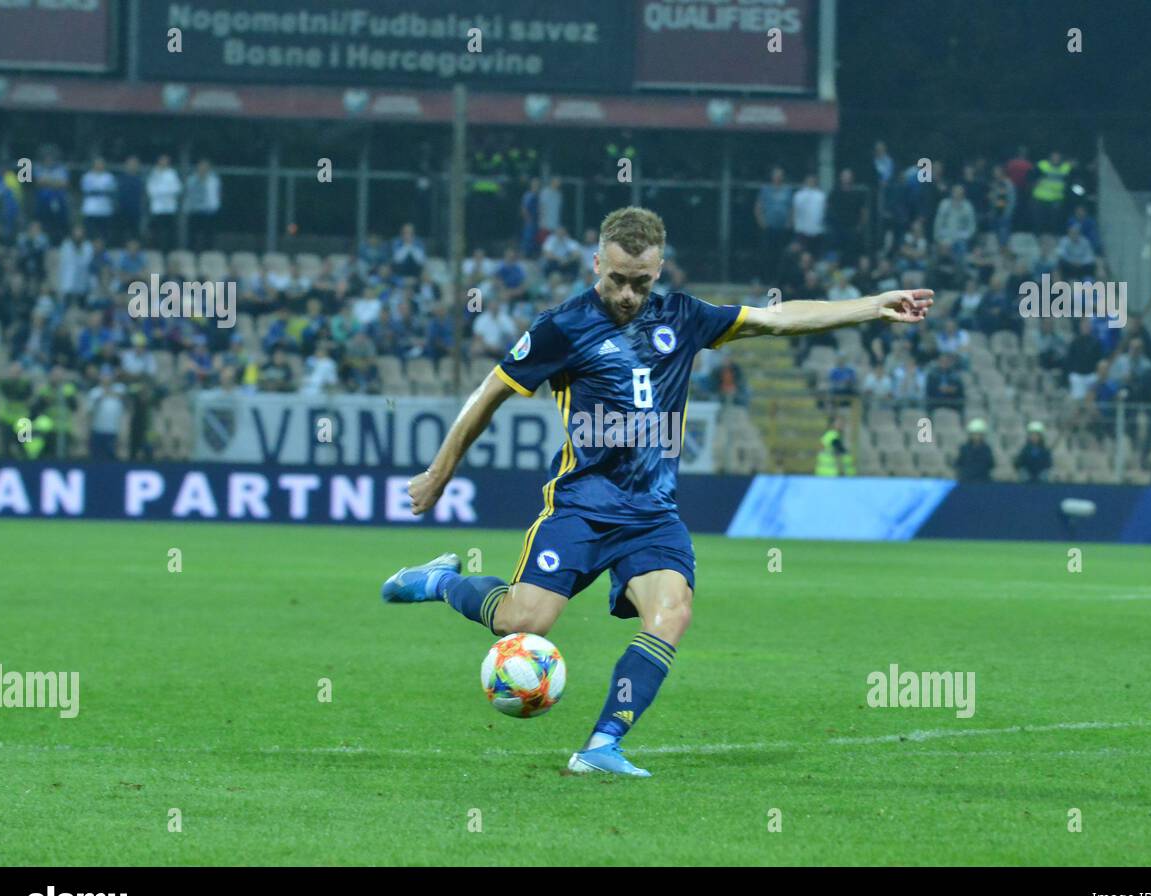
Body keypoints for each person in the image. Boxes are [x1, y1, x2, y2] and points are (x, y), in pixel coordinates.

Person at [380, 206, 932, 777]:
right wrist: (441, 471)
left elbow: (778, 319)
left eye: (640, 282)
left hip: (651, 514)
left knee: (671, 613)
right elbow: (489, 392)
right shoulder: (561, 326)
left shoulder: (686, 317)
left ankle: (599, 746)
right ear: (597, 262)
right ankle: (441, 581)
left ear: (659, 270)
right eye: (615, 278)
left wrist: (873, 305)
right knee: (524, 623)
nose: (625, 294)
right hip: (582, 504)